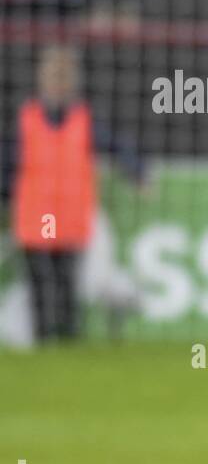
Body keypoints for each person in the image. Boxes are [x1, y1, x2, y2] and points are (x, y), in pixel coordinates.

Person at [0, 44, 147, 342]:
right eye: (54, 76)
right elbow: (6, 165)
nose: (59, 84)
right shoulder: (25, 121)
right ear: (42, 79)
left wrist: (137, 172)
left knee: (68, 287)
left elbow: (118, 146)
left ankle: (68, 344)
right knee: (41, 286)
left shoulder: (84, 120)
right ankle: (43, 343)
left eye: (64, 77)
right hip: (36, 220)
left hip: (69, 220)